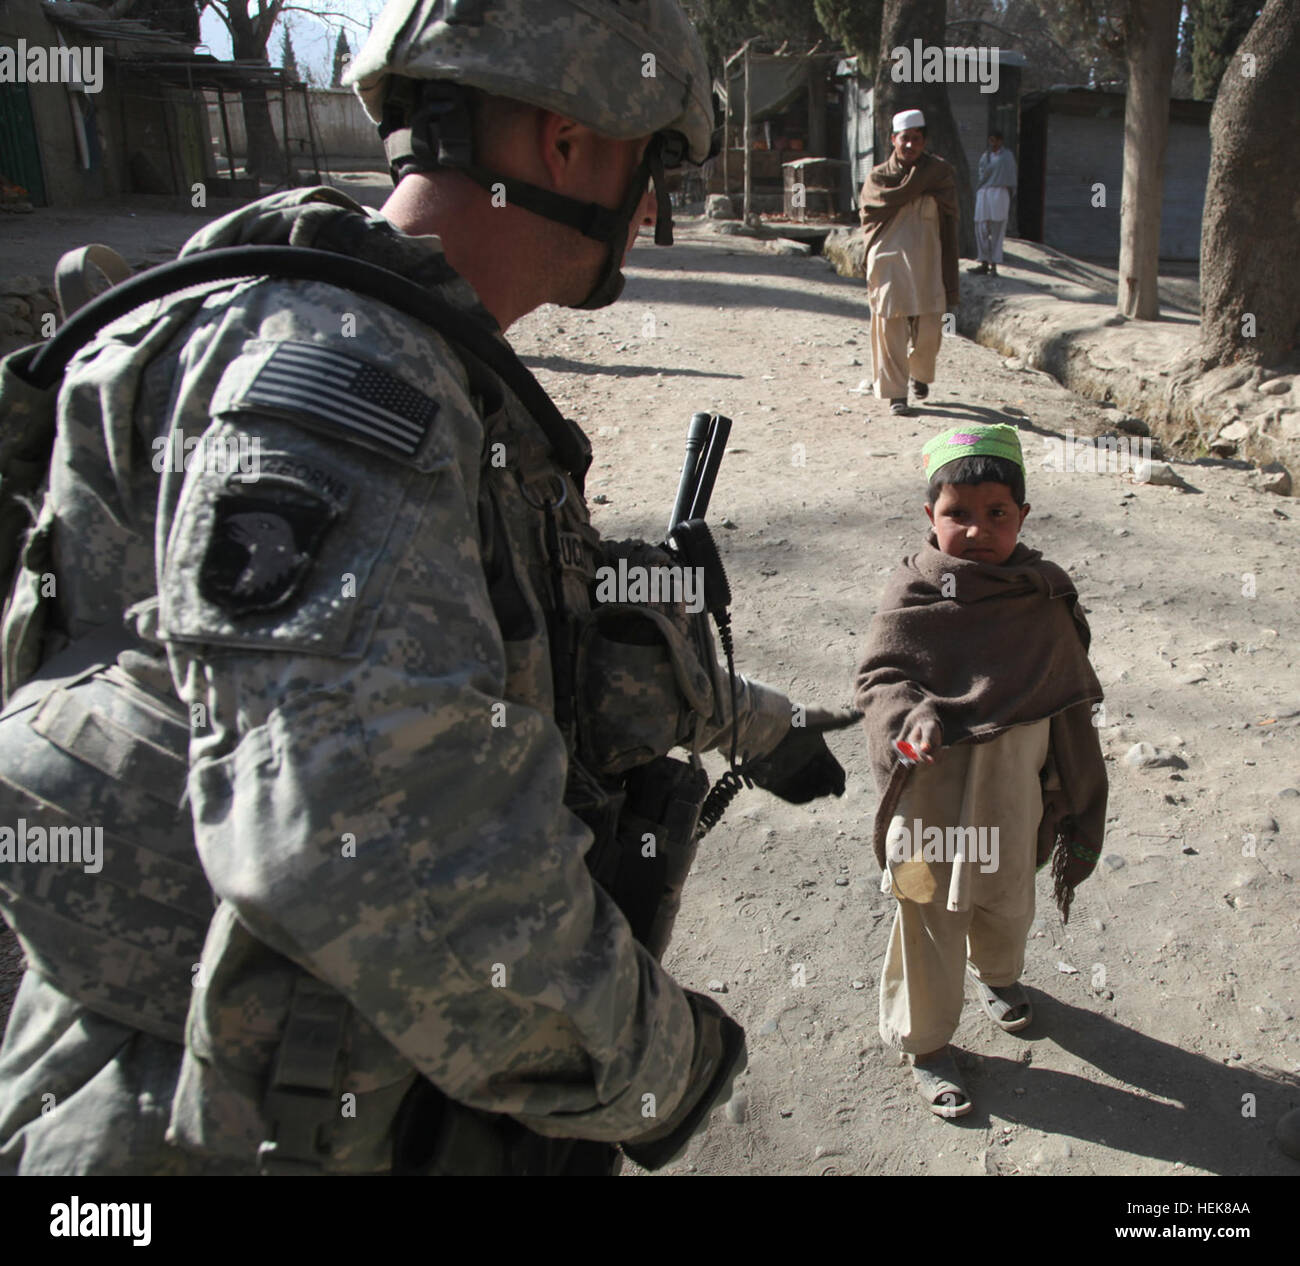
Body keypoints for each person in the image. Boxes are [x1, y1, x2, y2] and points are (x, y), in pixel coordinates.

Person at [0, 0, 850, 1175]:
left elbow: (497, 656)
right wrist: (667, 1069)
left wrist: (750, 718)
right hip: (221, 1130)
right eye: (651, 163)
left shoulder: (400, 352)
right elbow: (388, 858)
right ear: (566, 143)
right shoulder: (347, 389)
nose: (651, 210)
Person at [852, 424, 1107, 1117]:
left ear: (1023, 517)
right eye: (957, 512)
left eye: (997, 513)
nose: (977, 529)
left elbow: (1067, 696)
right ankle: (927, 1043)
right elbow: (879, 677)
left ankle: (998, 977)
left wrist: (1076, 791)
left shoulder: (1043, 594)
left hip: (1011, 791)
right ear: (929, 517)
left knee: (1007, 894)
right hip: (929, 797)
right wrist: (912, 718)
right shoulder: (913, 593)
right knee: (925, 912)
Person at [858, 108, 959, 418]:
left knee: (930, 328)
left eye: (917, 139)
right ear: (893, 140)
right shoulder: (878, 178)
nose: (911, 145)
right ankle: (896, 394)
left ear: (924, 141)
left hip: (928, 260)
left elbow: (950, 217)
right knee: (890, 327)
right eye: (905, 139)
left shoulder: (939, 174)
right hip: (888, 262)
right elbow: (868, 219)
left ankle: (920, 373)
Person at [970, 132, 1017, 278]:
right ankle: (983, 261)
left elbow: (1011, 175)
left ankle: (994, 265)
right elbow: (981, 174)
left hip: (1000, 192)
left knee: (997, 229)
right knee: (981, 227)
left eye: (995, 140)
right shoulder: (986, 156)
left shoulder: (1007, 156)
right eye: (991, 140)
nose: (993, 143)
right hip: (984, 192)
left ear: (1001, 140)